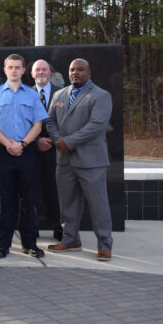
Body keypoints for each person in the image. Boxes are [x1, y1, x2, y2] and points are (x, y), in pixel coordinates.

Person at [46, 58, 114, 261]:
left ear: (89, 72)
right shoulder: (59, 94)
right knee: (67, 203)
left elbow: (96, 125)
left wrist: (69, 142)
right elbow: (50, 121)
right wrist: (59, 141)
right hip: (64, 159)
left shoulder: (101, 96)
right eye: (72, 70)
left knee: (98, 204)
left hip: (91, 160)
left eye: (80, 69)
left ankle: (104, 244)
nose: (75, 73)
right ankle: (70, 240)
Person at [0, 53, 47, 259]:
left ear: (23, 70)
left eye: (18, 67)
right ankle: (3, 245)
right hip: (4, 152)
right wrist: (7, 142)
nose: (14, 70)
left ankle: (30, 244)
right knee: (4, 199)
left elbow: (38, 124)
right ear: (5, 69)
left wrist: (23, 143)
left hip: (26, 152)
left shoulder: (32, 95)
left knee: (28, 199)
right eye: (11, 67)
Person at [31, 59, 63, 241]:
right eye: (38, 70)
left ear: (50, 72)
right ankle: (33, 227)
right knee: (33, 191)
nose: (41, 73)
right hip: (32, 151)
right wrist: (36, 140)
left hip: (56, 150)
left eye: (44, 69)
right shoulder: (26, 94)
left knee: (56, 190)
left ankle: (58, 227)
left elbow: (66, 120)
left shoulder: (62, 94)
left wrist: (54, 139)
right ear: (32, 74)